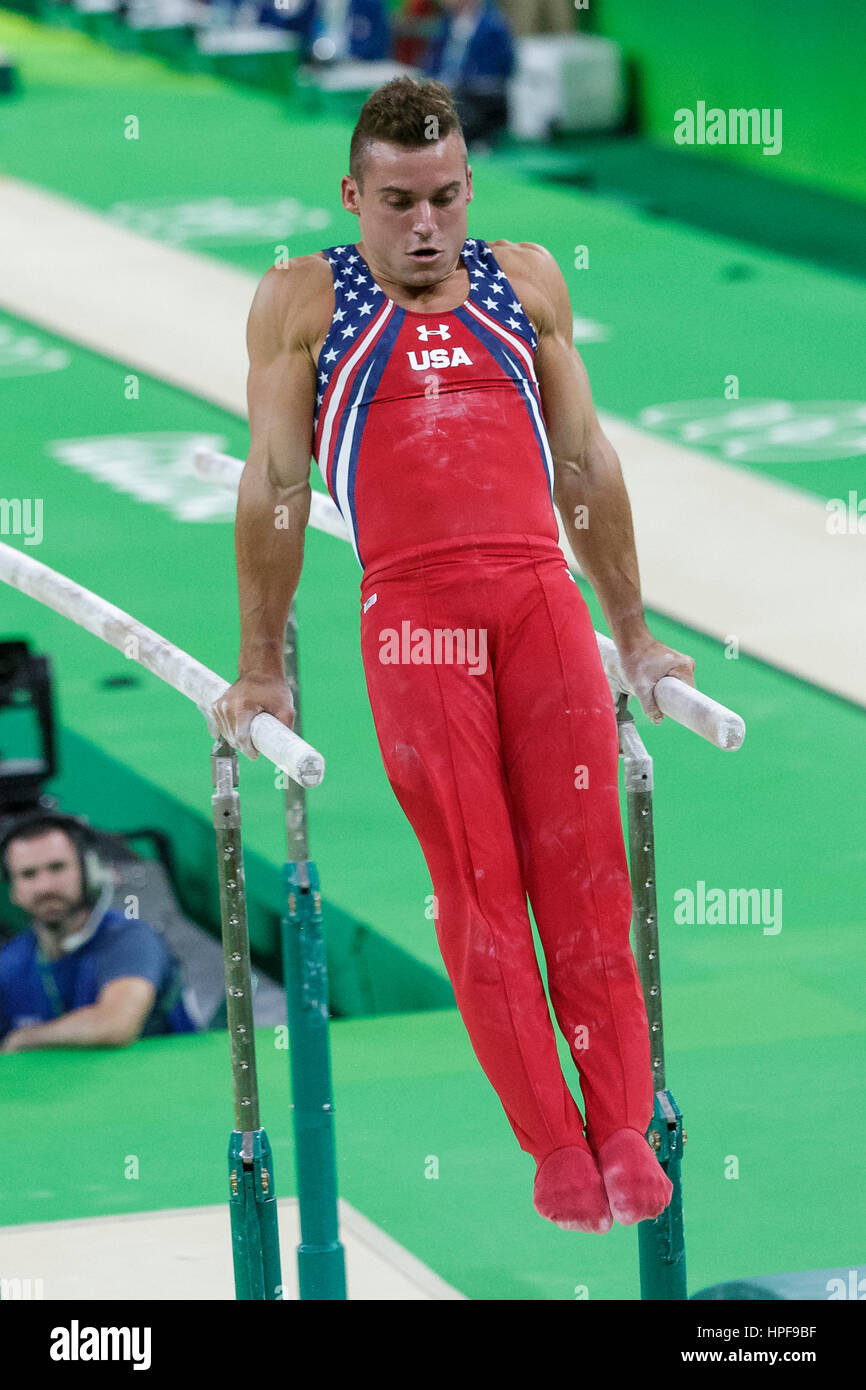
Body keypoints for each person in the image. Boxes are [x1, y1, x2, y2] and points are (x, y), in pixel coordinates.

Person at [213, 76, 696, 1232]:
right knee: (480, 885)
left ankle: (621, 1119)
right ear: (352, 194)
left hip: (538, 601)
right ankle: (550, 1142)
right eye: (396, 203)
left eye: (443, 199)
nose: (424, 227)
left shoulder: (524, 281)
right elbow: (277, 486)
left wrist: (630, 632)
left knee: (586, 875)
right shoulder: (301, 301)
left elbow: (583, 466)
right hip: (414, 619)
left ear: (469, 186)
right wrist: (263, 660)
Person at [0, 812, 198, 1052]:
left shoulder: (130, 938)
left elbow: (115, 1025)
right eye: (28, 874)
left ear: (90, 871)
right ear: (13, 889)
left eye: (57, 868)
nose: (45, 886)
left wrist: (21, 1039)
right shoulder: (11, 961)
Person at [424, 0, 515, 148]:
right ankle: (431, 145)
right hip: (447, 90)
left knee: (452, 104)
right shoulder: (446, 24)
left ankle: (441, 142)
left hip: (476, 98)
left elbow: (498, 71)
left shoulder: (494, 27)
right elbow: (431, 63)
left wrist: (459, 84)